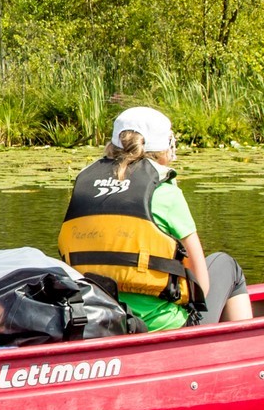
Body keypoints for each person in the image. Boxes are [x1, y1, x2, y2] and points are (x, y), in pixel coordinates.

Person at [56, 107, 253, 330]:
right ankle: (242, 350)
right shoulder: (164, 191)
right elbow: (202, 286)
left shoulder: (83, 186)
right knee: (228, 266)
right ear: (164, 148)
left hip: (99, 322)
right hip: (160, 326)